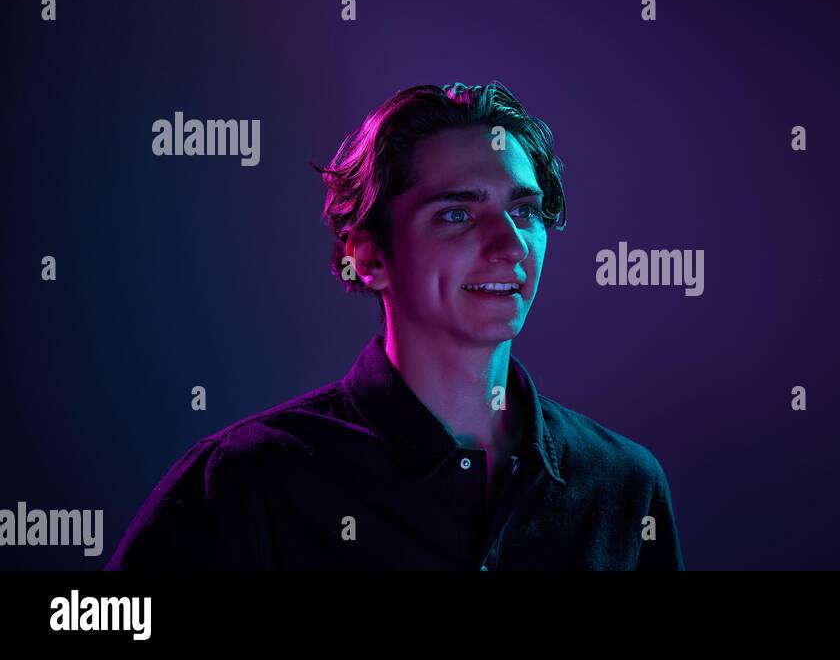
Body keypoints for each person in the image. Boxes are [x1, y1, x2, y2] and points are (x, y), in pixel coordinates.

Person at [106, 82, 685, 570]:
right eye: (457, 213)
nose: (511, 244)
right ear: (370, 256)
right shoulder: (249, 481)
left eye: (526, 211)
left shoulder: (625, 485)